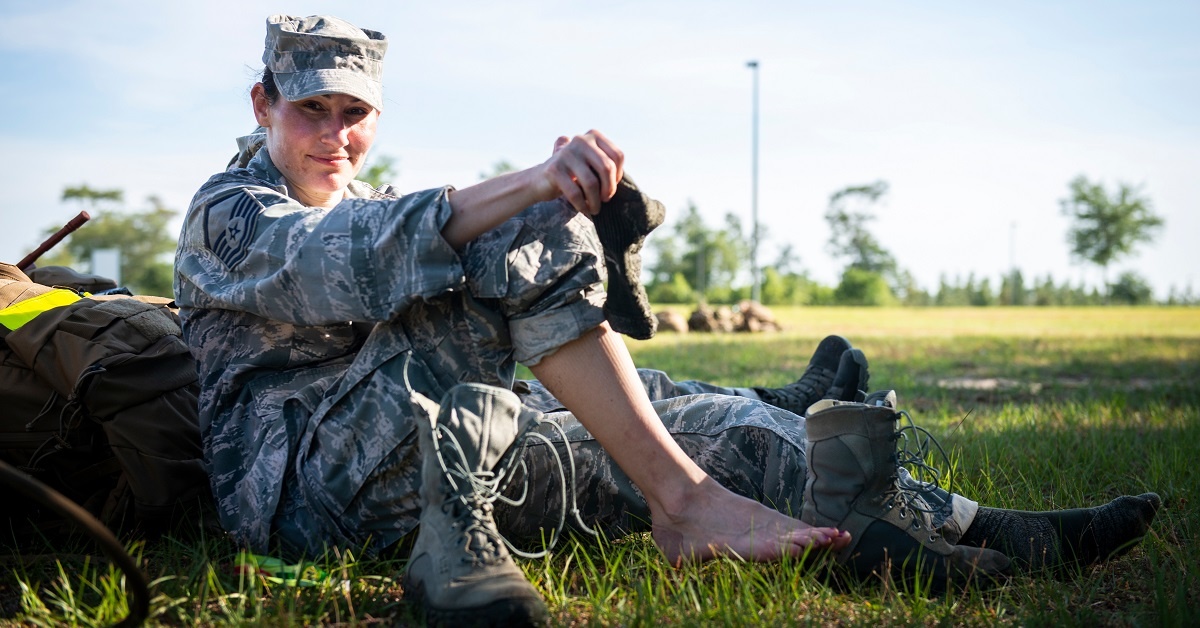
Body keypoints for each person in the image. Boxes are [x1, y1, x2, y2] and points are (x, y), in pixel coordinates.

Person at [174, 15, 1161, 626]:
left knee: (700, 424)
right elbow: (356, 254)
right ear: (264, 103)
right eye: (312, 111)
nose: (335, 135)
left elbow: (403, 240)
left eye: (355, 113)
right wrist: (534, 186)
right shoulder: (228, 214)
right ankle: (688, 506)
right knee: (514, 231)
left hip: (443, 460)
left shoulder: (359, 188)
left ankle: (941, 523)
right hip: (308, 491)